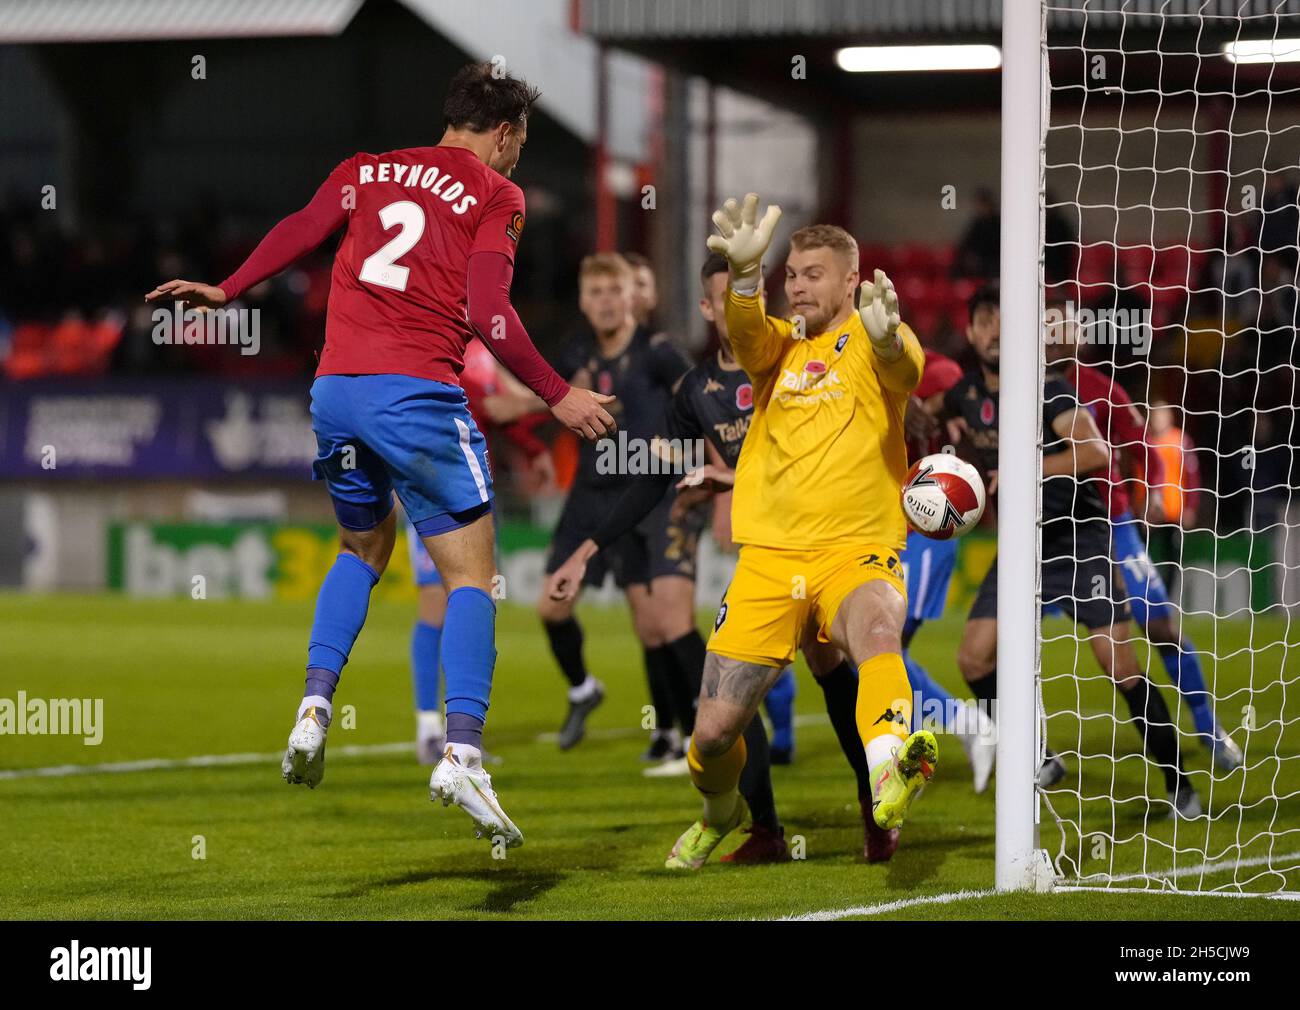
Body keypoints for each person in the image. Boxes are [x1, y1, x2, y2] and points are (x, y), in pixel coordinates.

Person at [145, 62, 615, 848]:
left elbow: (301, 227)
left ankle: (313, 706)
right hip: (417, 393)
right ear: (503, 133)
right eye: (520, 145)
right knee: (472, 576)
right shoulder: (498, 196)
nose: (516, 161)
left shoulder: (365, 171)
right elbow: (488, 313)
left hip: (335, 391)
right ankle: (462, 752)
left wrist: (230, 289)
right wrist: (557, 393)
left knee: (363, 547)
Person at [661, 194, 936, 871]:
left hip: (856, 550)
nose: (798, 283)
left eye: (813, 272)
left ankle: (887, 774)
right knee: (714, 733)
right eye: (790, 273)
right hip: (769, 560)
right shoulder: (777, 350)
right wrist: (748, 281)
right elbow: (746, 336)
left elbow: (908, 369)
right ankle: (721, 811)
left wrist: (886, 338)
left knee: (876, 632)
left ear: (851, 279)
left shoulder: (876, 342)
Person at [945, 285, 1202, 818]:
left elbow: (1094, 451)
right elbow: (928, 410)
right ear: (970, 333)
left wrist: (1023, 471)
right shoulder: (963, 394)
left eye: (1002, 319)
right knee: (972, 657)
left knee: (1119, 665)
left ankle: (1179, 782)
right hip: (1022, 543)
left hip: (1078, 537)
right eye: (983, 320)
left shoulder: (1050, 388)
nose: (994, 330)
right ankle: (1038, 753)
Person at [1044, 301, 1242, 771]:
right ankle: (1032, 754)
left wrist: (1150, 493)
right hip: (1045, 534)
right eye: (1046, 329)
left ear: (1081, 337)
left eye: (1063, 328)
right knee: (992, 643)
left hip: (1110, 528)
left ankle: (1208, 726)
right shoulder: (1016, 393)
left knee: (1160, 628)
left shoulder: (1099, 390)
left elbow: (1142, 448)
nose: (1055, 337)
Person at [538, 253, 705, 758]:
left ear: (631, 296)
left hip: (650, 495)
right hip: (592, 496)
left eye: (615, 291)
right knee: (557, 606)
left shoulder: (656, 352)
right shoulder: (577, 351)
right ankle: (592, 693)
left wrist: (701, 468)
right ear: (584, 302)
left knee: (660, 621)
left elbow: (701, 399)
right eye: (595, 293)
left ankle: (690, 732)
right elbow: (547, 392)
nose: (606, 301)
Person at [406, 337, 554, 763]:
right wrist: (560, 397)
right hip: (435, 486)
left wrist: (533, 446)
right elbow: (494, 406)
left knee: (473, 604)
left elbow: (494, 412)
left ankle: (459, 732)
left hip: (475, 490)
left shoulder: (478, 345)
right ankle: (429, 728)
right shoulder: (449, 343)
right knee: (437, 604)